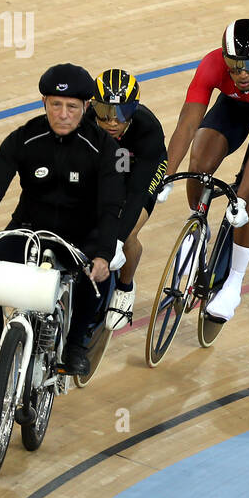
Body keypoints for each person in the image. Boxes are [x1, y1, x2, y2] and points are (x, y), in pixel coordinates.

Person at [0, 64, 123, 413]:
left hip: (81, 235)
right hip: (29, 230)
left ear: (86, 107)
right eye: (55, 105)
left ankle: (76, 344)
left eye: (72, 107)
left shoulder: (103, 148)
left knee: (92, 278)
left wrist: (103, 253)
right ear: (44, 102)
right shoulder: (24, 138)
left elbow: (111, 206)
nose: (63, 114)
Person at [162, 19, 249, 320]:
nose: (240, 73)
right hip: (234, 107)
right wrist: (166, 175)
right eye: (233, 65)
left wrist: (240, 198)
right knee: (199, 162)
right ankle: (197, 225)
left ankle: (234, 282)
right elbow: (186, 124)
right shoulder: (212, 65)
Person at [88, 69, 168, 330]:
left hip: (141, 175)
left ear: (133, 110)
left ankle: (125, 287)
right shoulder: (84, 122)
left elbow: (136, 194)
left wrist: (118, 240)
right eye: (104, 112)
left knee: (127, 232)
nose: (112, 121)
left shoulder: (147, 128)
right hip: (108, 172)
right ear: (93, 106)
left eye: (121, 114)